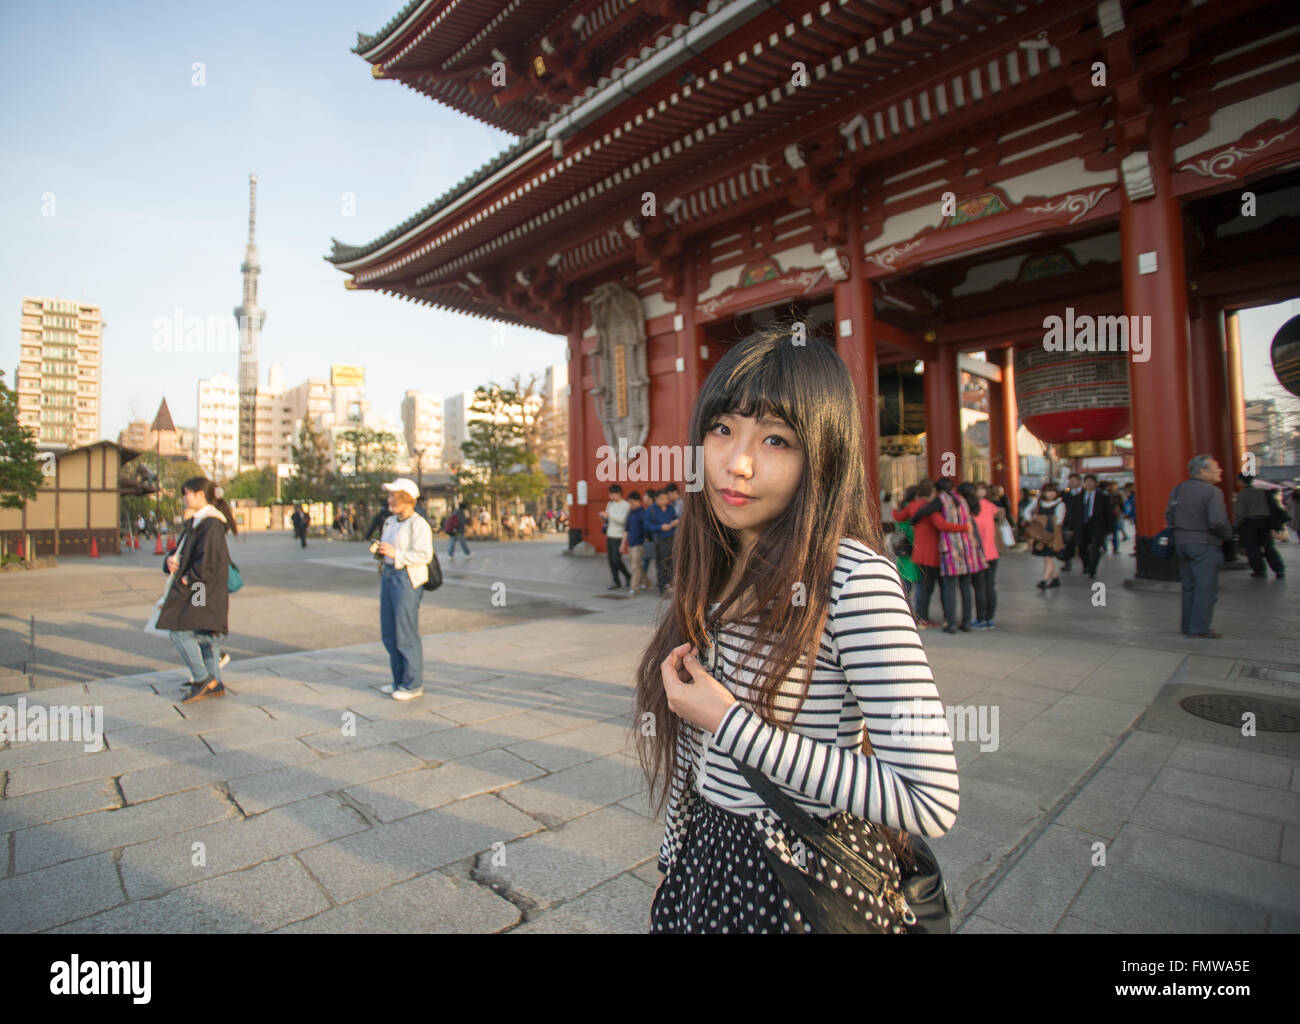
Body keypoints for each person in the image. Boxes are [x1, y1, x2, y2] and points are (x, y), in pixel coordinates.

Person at [637, 325, 957, 934]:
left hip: (794, 874)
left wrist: (730, 721)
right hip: (708, 860)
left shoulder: (852, 579)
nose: (738, 463)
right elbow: (696, 754)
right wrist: (672, 859)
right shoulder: (722, 561)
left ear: (823, 454)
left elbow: (929, 797)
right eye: (722, 428)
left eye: (777, 439)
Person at [158, 478, 237, 703]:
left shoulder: (210, 523)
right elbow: (181, 551)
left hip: (202, 588)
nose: (185, 498)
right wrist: (169, 561)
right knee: (204, 631)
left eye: (188, 493)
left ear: (200, 494)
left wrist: (186, 579)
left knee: (181, 632)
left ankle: (202, 678)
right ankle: (214, 682)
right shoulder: (199, 521)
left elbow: (208, 562)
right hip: (201, 588)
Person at [375, 478, 435, 699]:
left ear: (407, 499)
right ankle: (397, 679)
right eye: (390, 496)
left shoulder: (419, 524)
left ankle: (412, 683)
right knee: (389, 631)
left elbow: (424, 555)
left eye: (394, 496)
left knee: (405, 631)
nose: (390, 500)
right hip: (389, 575)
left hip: (407, 578)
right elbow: (387, 547)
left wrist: (396, 554)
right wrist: (381, 551)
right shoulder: (390, 522)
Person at [1166, 454, 1232, 638]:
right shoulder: (1212, 491)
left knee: (1188, 586)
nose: (1220, 471)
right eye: (1216, 467)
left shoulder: (1178, 489)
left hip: (1181, 543)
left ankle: (1187, 625)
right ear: (1203, 471)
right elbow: (1217, 521)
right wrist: (1228, 535)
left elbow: (1169, 515)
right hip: (1204, 544)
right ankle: (1199, 628)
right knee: (1205, 587)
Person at [1234, 474, 1284, 579]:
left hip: (1250, 523)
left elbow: (1240, 512)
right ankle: (1279, 569)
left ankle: (1259, 570)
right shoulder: (1261, 492)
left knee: (1252, 549)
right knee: (1269, 546)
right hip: (1264, 522)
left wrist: (1237, 523)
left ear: (1242, 482)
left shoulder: (1243, 494)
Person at [1066, 474, 1112, 578]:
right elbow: (1073, 513)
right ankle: (1086, 565)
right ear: (1084, 483)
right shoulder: (1078, 497)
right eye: (1087, 482)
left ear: (1096, 483)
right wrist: (1071, 527)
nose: (1089, 484)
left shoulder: (1103, 497)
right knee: (1082, 547)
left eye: (1091, 482)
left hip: (1096, 525)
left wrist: (1109, 529)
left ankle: (1093, 569)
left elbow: (1108, 514)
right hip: (1082, 525)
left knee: (1096, 548)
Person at [969, 481, 1000, 628]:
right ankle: (990, 618)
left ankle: (980, 618)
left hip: (977, 553)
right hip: (992, 552)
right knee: (990, 586)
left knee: (979, 587)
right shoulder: (991, 506)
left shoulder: (970, 508)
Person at [1025, 482, 1066, 589]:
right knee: (1048, 557)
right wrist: (1031, 520)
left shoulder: (1060, 504)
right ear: (1044, 493)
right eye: (1048, 491)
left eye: (1053, 491)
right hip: (1040, 534)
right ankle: (1055, 578)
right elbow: (1026, 511)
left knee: (1048, 557)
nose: (1051, 494)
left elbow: (1059, 521)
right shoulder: (1038, 502)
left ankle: (1044, 580)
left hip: (1052, 534)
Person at [644, 487, 679, 595]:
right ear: (656, 499)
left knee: (672, 563)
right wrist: (660, 527)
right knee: (661, 564)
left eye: (666, 498)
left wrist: (675, 522)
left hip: (672, 539)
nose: (664, 501)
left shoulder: (670, 508)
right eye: (662, 499)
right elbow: (647, 525)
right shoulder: (651, 510)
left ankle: (669, 584)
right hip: (660, 539)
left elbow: (675, 518)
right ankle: (661, 587)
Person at [600, 485, 633, 591]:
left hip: (619, 536)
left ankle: (628, 576)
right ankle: (616, 581)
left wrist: (609, 515)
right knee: (610, 560)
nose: (611, 497)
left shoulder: (626, 505)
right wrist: (603, 517)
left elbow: (623, 521)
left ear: (618, 493)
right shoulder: (610, 504)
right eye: (610, 494)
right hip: (610, 534)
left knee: (616, 560)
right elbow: (607, 520)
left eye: (612, 494)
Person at [622, 490, 649, 594]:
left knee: (634, 566)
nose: (630, 504)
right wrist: (623, 543)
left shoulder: (643, 513)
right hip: (631, 543)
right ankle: (647, 582)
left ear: (638, 501)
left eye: (632, 502)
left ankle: (634, 588)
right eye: (629, 502)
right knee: (637, 566)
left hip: (639, 543)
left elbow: (646, 529)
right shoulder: (630, 513)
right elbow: (627, 529)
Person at [1058, 472, 1083, 571]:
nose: (1073, 482)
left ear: (1080, 481)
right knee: (1068, 543)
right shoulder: (1066, 494)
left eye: (1075, 480)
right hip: (1068, 522)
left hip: (1081, 523)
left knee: (1083, 544)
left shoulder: (1084, 493)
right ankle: (1067, 562)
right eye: (1071, 480)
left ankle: (1087, 564)